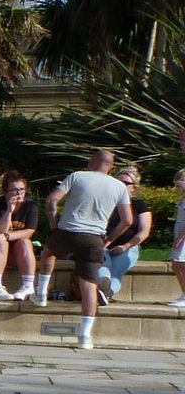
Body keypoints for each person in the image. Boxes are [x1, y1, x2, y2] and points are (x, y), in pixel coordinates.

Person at [38, 148, 132, 349]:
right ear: (110, 166)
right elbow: (127, 220)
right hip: (93, 238)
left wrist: (54, 223)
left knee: (48, 252)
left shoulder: (77, 176)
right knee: (89, 285)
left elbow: (52, 199)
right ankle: (85, 336)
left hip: (67, 231)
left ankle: (41, 293)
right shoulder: (119, 187)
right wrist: (109, 239)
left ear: (92, 161)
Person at [0, 172, 40, 301]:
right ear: (5, 192)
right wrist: (9, 211)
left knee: (24, 242)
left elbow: (29, 231)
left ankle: (28, 286)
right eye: (14, 190)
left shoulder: (30, 206)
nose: (18, 193)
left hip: (16, 253)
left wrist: (7, 236)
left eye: (22, 189)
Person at [100, 163, 152, 304]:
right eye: (118, 182)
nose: (120, 185)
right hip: (102, 245)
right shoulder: (105, 202)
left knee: (116, 272)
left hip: (126, 247)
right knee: (103, 266)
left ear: (134, 187)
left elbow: (144, 232)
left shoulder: (139, 205)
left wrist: (125, 246)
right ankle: (105, 291)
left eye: (125, 183)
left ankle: (106, 293)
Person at [170, 168, 185, 310]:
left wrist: (180, 238)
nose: (179, 182)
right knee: (178, 264)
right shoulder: (182, 199)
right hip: (180, 230)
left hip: (183, 234)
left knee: (178, 264)